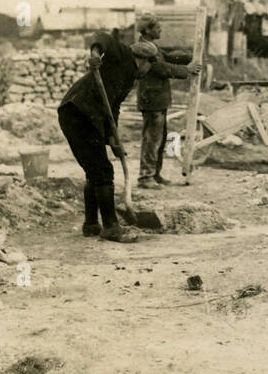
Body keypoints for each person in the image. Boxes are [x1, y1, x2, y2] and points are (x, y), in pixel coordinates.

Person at [57, 30, 138, 241]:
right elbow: (102, 36)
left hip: (83, 114)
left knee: (94, 170)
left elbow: (113, 110)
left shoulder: (129, 78)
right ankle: (111, 228)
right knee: (103, 171)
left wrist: (114, 141)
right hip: (77, 111)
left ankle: (91, 224)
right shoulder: (125, 57)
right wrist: (94, 54)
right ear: (144, 60)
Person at [132, 12, 203, 191]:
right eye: (157, 27)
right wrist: (186, 69)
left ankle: (154, 175)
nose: (160, 29)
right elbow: (161, 68)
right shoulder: (143, 48)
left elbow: (169, 57)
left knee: (160, 138)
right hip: (152, 100)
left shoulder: (152, 46)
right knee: (152, 138)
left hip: (158, 99)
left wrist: (190, 54)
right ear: (148, 30)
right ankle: (145, 177)